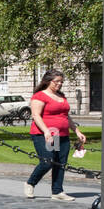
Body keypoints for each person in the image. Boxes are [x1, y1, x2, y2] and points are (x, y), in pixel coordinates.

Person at [25, 69, 87, 201]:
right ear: (48, 81)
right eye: (56, 81)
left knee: (60, 163)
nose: (59, 84)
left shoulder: (61, 96)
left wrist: (77, 131)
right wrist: (46, 131)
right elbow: (36, 115)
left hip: (62, 134)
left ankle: (57, 192)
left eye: (61, 82)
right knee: (47, 161)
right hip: (45, 134)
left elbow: (66, 116)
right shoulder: (40, 96)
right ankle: (30, 183)